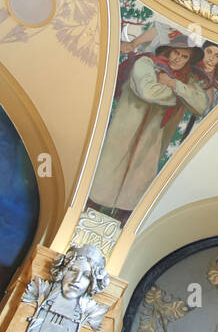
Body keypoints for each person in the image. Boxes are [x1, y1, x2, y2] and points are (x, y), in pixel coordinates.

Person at [90, 39, 210, 219]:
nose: (178, 59)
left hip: (153, 141)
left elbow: (201, 106)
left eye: (184, 56)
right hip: (123, 132)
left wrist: (174, 84)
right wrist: (179, 95)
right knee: (107, 173)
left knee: (139, 181)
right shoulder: (146, 63)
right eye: (176, 53)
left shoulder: (186, 80)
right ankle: (89, 209)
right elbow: (148, 91)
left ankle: (123, 218)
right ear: (168, 51)